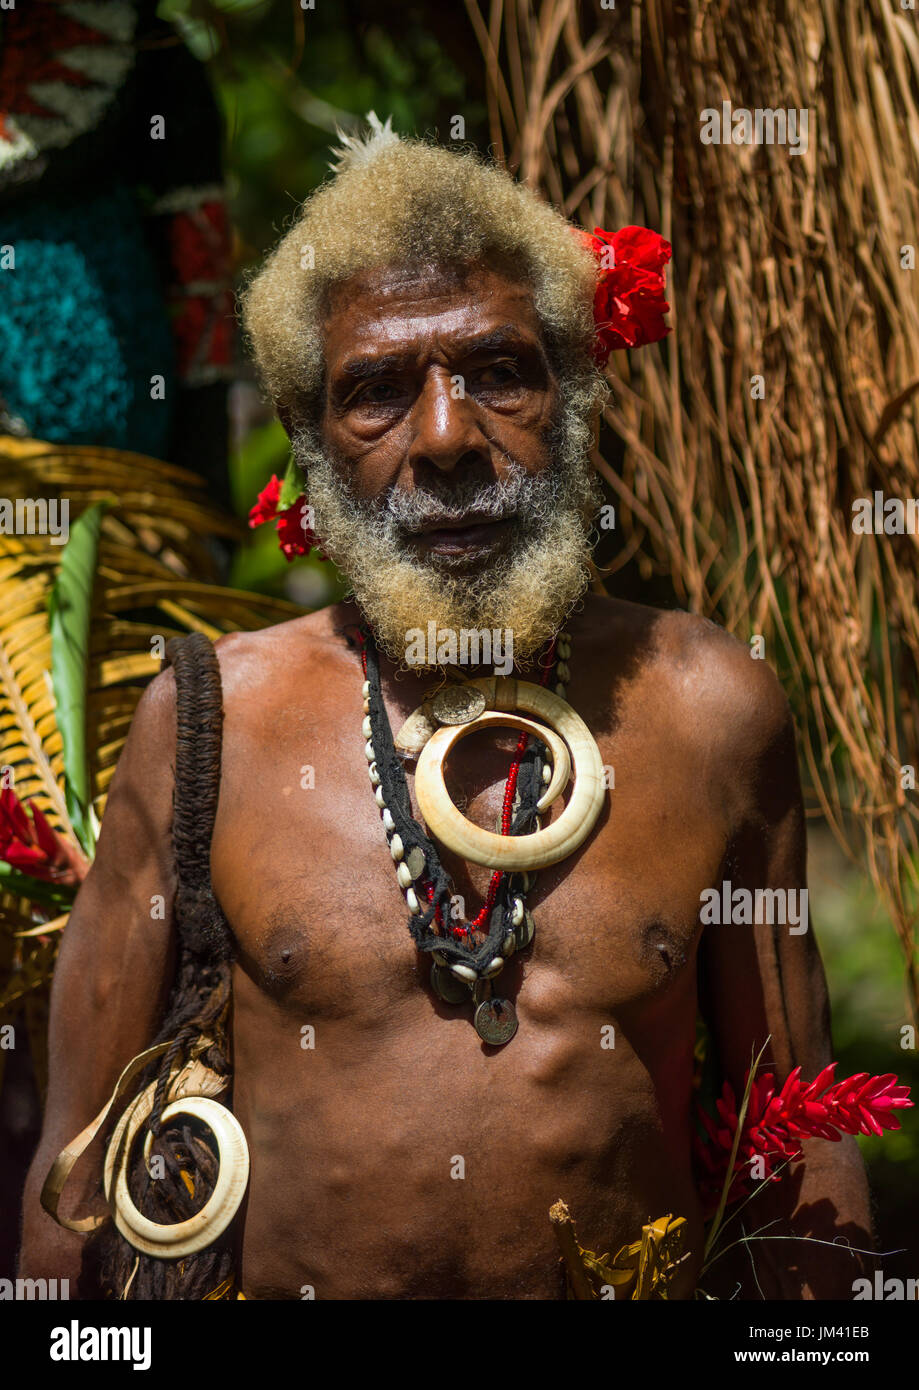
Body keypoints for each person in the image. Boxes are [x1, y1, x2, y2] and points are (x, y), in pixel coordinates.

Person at [20, 118, 871, 1300]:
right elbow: (70, 1198)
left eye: (497, 371)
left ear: (570, 387)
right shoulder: (207, 717)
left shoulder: (711, 707)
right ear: (312, 440)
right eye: (375, 391)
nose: (445, 436)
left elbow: (800, 1125)